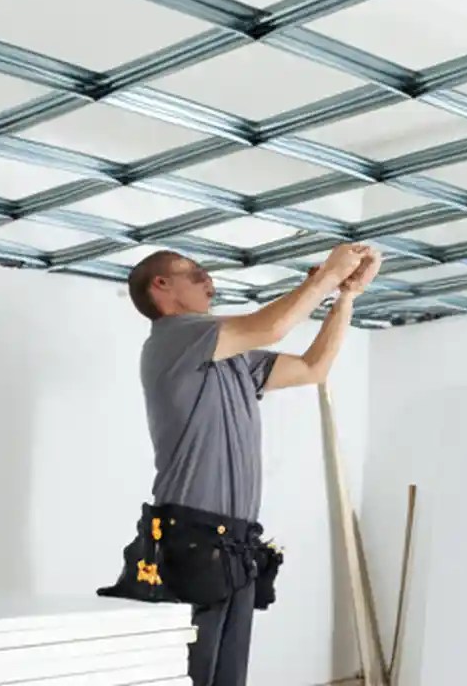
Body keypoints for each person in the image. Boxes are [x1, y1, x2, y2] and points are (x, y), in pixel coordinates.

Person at [110, 243, 382, 686]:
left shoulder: (232, 357)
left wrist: (346, 296)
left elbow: (313, 368)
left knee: (227, 676)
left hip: (234, 545)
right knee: (192, 676)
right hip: (191, 541)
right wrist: (327, 275)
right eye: (193, 272)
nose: (207, 279)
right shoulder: (175, 338)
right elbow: (273, 326)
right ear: (161, 286)